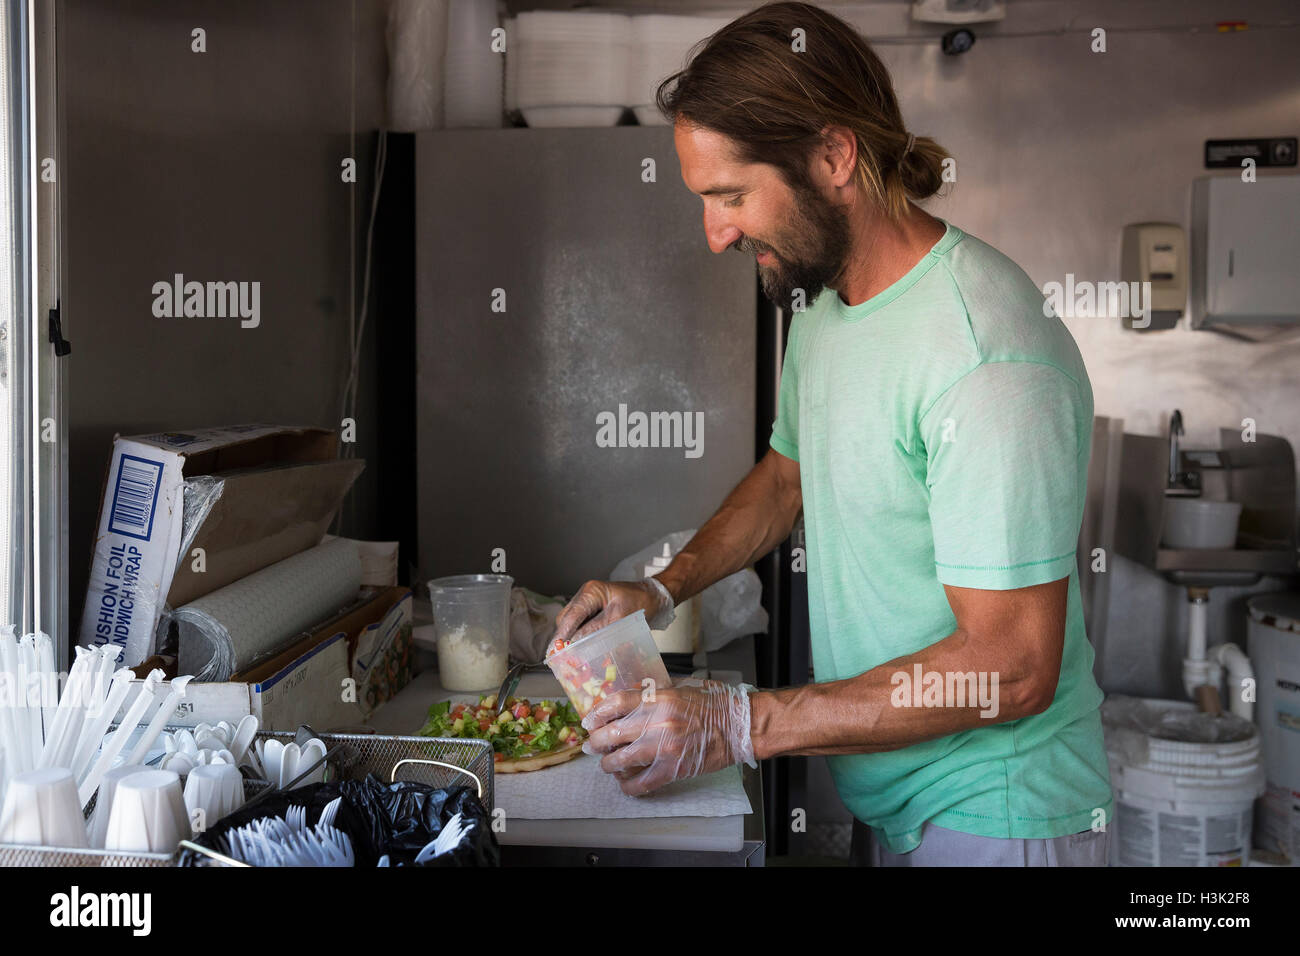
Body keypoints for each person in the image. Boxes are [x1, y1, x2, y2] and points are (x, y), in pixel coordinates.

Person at [550, 2, 1111, 867]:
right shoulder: (823, 308)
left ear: (834, 154)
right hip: (892, 798)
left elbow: (1014, 664)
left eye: (731, 195)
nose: (715, 234)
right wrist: (663, 591)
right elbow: (786, 478)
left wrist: (744, 722)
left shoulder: (986, 360)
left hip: (999, 817)